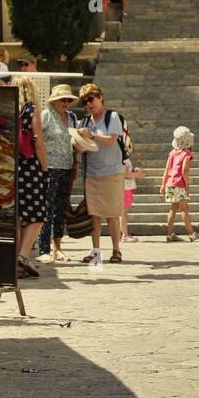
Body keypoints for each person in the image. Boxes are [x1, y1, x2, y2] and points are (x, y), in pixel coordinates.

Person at [74, 83, 126, 266]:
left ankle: (116, 250)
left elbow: (112, 140)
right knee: (94, 214)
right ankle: (96, 251)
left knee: (112, 213)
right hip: (92, 173)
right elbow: (81, 148)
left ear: (100, 96)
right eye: (85, 101)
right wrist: (77, 139)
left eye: (91, 99)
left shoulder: (112, 117)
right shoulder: (85, 122)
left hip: (112, 171)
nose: (89, 103)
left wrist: (92, 136)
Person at [12, 76, 49, 279]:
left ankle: (16, 265)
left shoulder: (9, 110)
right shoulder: (32, 111)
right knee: (37, 214)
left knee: (18, 216)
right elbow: (39, 143)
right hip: (30, 167)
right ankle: (24, 256)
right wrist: (45, 167)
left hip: (13, 168)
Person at [37, 84, 78, 264]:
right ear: (54, 101)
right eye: (63, 100)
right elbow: (37, 139)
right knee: (47, 208)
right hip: (49, 168)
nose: (66, 103)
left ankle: (58, 248)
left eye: (68, 100)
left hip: (67, 167)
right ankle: (44, 249)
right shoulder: (46, 116)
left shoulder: (72, 118)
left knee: (61, 209)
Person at [159, 126, 199, 243]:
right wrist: (187, 186)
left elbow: (167, 170)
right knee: (184, 209)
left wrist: (163, 185)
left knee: (173, 208)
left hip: (170, 183)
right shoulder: (186, 154)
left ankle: (169, 233)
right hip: (179, 183)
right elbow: (184, 171)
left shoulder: (172, 153)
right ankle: (192, 233)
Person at [121, 151, 147, 244]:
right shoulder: (122, 158)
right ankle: (124, 235)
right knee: (123, 212)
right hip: (125, 188)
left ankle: (125, 234)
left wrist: (135, 171)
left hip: (127, 187)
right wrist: (136, 174)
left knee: (124, 212)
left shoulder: (125, 158)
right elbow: (124, 174)